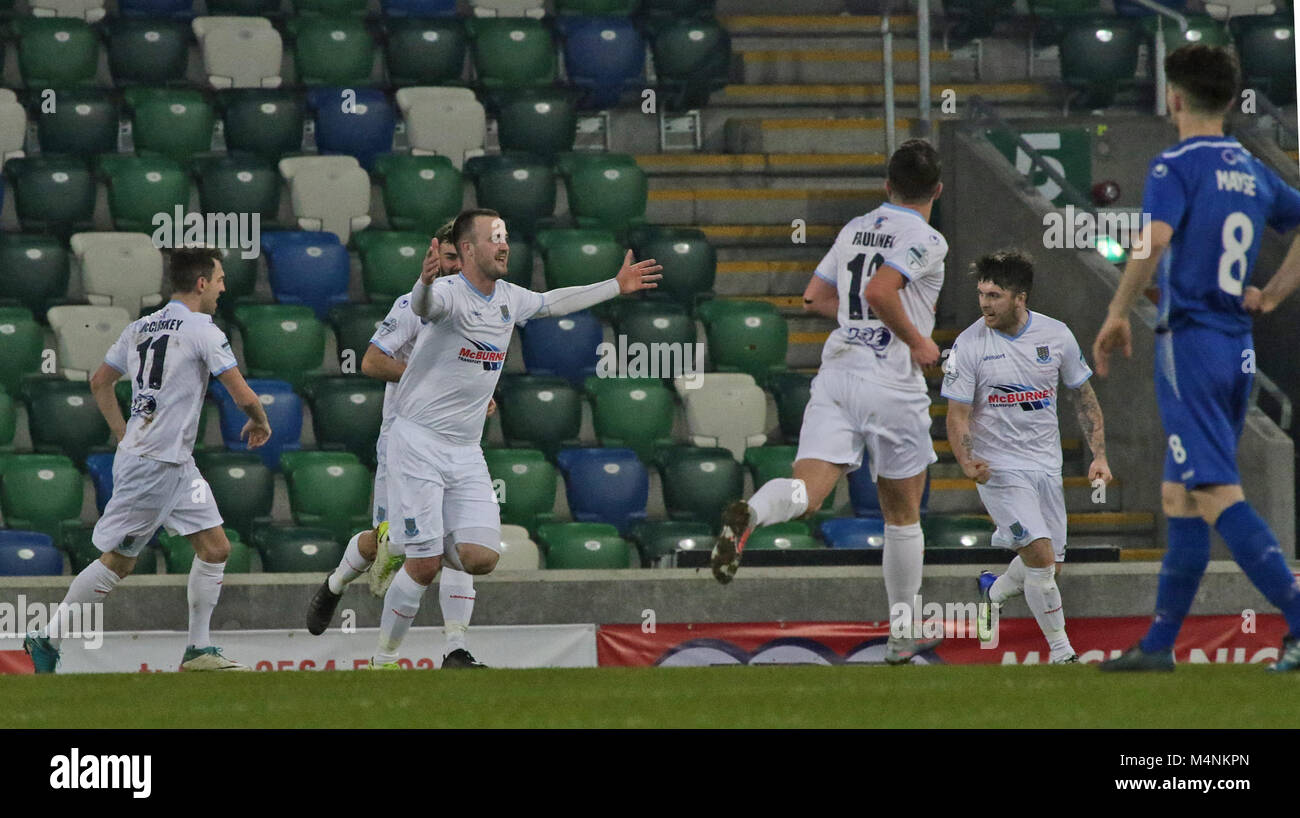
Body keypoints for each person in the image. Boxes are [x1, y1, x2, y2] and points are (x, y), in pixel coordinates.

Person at [368, 208, 662, 669]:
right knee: (425, 567)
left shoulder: (508, 297)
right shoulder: (446, 292)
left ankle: (408, 542)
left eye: (505, 237)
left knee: (481, 556)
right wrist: (423, 283)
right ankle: (383, 661)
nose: (504, 245)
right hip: (418, 441)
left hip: (465, 450)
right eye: (494, 238)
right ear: (467, 250)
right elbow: (425, 308)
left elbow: (552, 302)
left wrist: (614, 285)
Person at [1092, 44, 1300, 672]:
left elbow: (1153, 244)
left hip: (1191, 343)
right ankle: (1157, 648)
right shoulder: (1251, 168)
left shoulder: (1175, 165)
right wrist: (1277, 291)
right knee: (1179, 495)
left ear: (1175, 97)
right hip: (1237, 348)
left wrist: (1115, 313)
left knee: (1213, 492)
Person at [707, 139, 949, 665]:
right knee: (903, 514)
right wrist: (919, 342)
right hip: (892, 384)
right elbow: (883, 293)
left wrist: (855, 324)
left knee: (807, 493)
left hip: (838, 374)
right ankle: (902, 637)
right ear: (938, 190)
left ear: (886, 185)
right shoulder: (926, 239)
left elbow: (814, 296)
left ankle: (752, 512)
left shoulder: (855, 227)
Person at [24, 248, 273, 673]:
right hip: (155, 465)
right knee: (120, 561)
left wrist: (124, 434)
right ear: (200, 283)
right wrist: (260, 421)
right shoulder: (202, 329)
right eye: (219, 279)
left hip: (173, 463)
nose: (223, 287)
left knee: (215, 548)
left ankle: (198, 650)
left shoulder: (141, 326)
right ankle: (46, 637)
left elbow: (100, 381)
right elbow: (242, 393)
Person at [305, 222, 494, 669]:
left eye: (459, 259)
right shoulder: (413, 305)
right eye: (447, 259)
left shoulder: (480, 308)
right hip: (405, 443)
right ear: (436, 259)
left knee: (460, 545)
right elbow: (371, 362)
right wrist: (434, 383)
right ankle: (335, 584)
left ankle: (455, 649)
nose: (454, 268)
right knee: (391, 545)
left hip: (456, 446)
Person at [943, 250, 1112, 664]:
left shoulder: (1056, 336)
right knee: (1038, 554)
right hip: (998, 469)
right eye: (981, 293)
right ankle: (1062, 652)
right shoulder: (969, 345)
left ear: (1020, 297)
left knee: (1050, 568)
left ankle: (995, 590)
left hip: (1045, 466)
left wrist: (1099, 456)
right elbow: (957, 414)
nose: (985, 303)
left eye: (995, 295)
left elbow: (1083, 395)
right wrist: (967, 463)